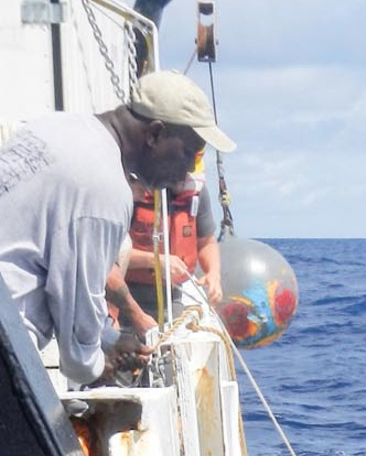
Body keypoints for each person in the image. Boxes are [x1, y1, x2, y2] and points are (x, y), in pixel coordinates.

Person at [0, 71, 234, 386]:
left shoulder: (59, 127)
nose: (190, 169)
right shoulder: (104, 188)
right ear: (155, 134)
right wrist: (101, 364)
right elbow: (78, 344)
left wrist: (109, 339)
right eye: (188, 153)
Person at [108, 151, 223, 336]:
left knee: (172, 348)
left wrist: (213, 274)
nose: (181, 183)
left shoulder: (196, 193)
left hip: (173, 296)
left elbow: (207, 241)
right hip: (124, 295)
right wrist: (156, 261)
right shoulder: (133, 191)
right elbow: (110, 254)